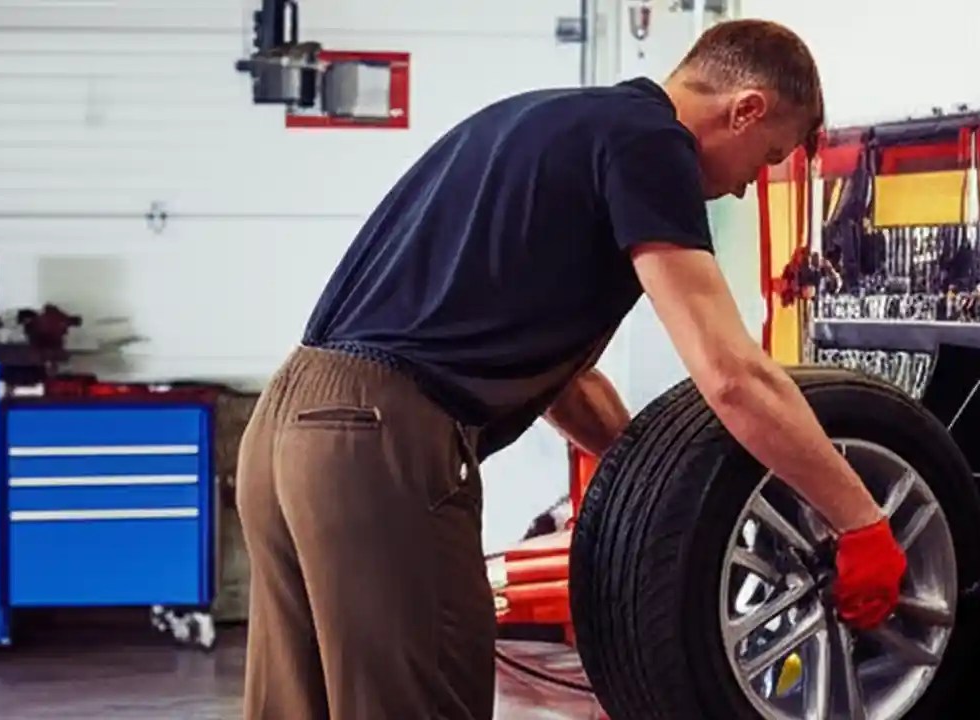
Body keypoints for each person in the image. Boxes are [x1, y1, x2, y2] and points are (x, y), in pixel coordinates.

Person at [235, 18, 907, 720]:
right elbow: (734, 374)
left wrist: (653, 483)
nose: (747, 189)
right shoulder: (651, 143)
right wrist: (860, 521)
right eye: (767, 158)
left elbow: (567, 385)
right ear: (746, 109)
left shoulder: (546, 121)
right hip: (374, 448)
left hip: (286, 431)